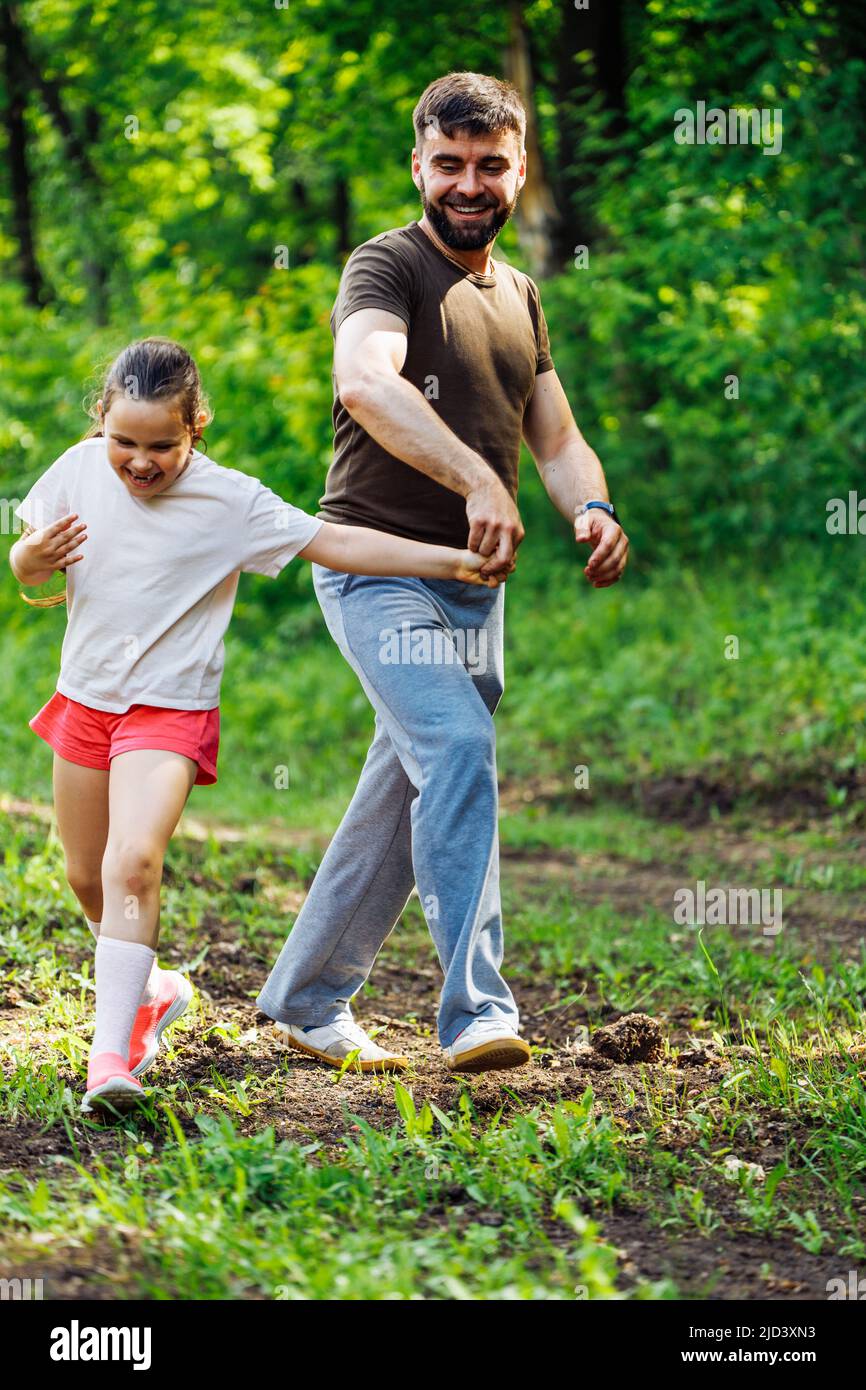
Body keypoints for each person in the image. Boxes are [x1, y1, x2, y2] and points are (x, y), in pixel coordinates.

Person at [8, 336, 503, 1116]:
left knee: (131, 862)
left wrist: (447, 561)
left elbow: (333, 540)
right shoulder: (75, 469)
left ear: (195, 427)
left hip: (168, 712)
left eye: (161, 446)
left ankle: (110, 1062)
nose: (140, 462)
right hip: (85, 702)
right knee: (84, 874)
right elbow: (27, 568)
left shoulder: (230, 501)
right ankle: (153, 989)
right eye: (124, 442)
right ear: (101, 421)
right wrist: (30, 556)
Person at [256, 71, 629, 1076]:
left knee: (409, 784)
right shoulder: (387, 266)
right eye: (449, 163)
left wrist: (587, 507)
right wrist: (472, 477)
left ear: (518, 172)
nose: (469, 183)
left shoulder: (518, 296)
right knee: (457, 749)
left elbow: (555, 438)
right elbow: (364, 380)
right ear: (418, 165)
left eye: (490, 165)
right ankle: (476, 1011)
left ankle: (303, 997)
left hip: (476, 587)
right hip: (377, 568)